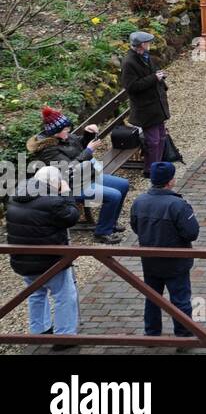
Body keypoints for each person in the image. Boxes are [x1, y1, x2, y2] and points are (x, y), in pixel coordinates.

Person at [27, 107, 127, 244]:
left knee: (123, 185)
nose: (68, 131)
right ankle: (103, 232)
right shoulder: (48, 150)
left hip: (87, 176)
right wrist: (88, 151)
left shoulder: (64, 137)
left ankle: (111, 223)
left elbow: (79, 142)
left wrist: (88, 133)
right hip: (71, 186)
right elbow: (68, 168)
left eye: (67, 128)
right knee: (113, 195)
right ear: (55, 133)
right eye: (65, 129)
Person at [6, 165, 81, 344]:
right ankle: (65, 336)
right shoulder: (53, 201)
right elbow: (72, 217)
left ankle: (39, 330)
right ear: (52, 183)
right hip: (51, 261)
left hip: (22, 259)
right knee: (64, 295)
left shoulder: (15, 196)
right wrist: (67, 194)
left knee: (35, 293)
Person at [130, 161, 201, 342]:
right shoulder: (177, 205)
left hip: (150, 261)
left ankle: (152, 334)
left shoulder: (139, 202)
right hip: (175, 261)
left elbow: (135, 226)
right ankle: (184, 335)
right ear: (170, 181)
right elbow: (192, 233)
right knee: (181, 299)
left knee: (152, 298)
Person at [120, 30, 171, 172]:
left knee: (161, 137)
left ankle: (158, 165)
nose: (150, 44)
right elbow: (131, 87)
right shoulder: (129, 63)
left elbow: (152, 73)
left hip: (155, 105)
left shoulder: (146, 56)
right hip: (145, 108)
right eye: (148, 42)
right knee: (153, 141)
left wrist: (159, 76)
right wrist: (155, 78)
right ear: (142, 45)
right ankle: (151, 169)